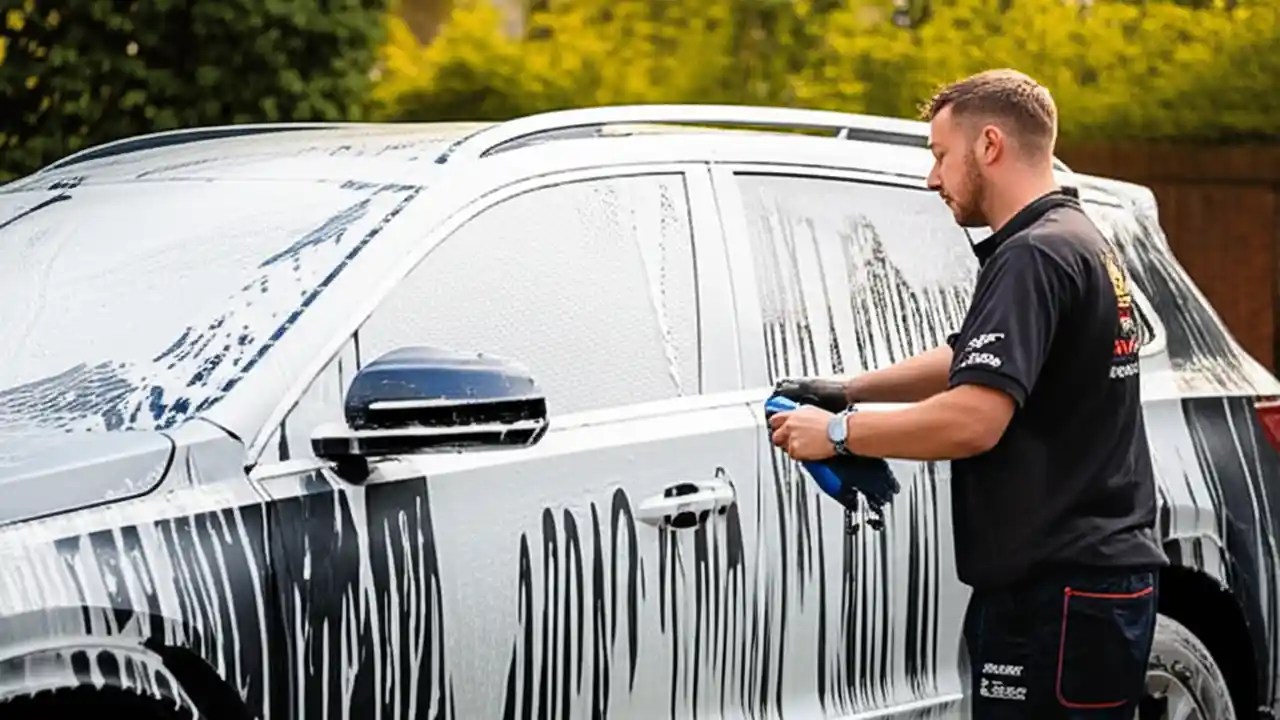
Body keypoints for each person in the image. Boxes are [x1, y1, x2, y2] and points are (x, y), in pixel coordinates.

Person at [766, 68, 1169, 718]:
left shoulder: (1033, 256)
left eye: (939, 155)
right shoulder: (1075, 238)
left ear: (989, 145)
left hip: (1055, 593)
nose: (932, 178)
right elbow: (972, 356)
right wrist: (847, 388)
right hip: (1090, 585)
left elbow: (974, 420)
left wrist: (837, 432)